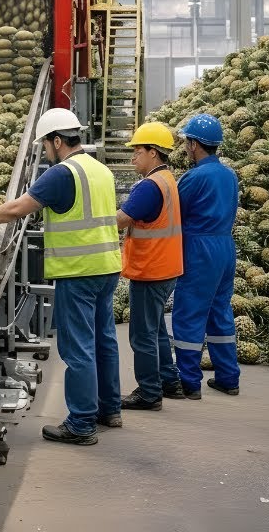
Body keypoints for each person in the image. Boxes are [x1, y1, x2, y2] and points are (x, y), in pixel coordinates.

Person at [0, 108, 122, 445]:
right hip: (107, 267)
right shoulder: (100, 169)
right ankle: (109, 410)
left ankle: (81, 423)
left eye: (46, 144)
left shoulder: (63, 173)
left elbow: (19, 208)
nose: (46, 151)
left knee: (78, 349)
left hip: (78, 273)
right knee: (104, 342)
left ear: (57, 141)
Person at [116, 122, 185, 411]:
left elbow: (120, 220)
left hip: (150, 269)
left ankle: (148, 393)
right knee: (156, 330)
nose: (133, 157)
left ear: (153, 153)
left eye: (137, 151)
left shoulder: (149, 187)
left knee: (142, 335)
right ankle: (169, 382)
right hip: (166, 266)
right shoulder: (168, 179)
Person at [172, 113, 240, 398]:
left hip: (200, 248)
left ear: (194, 144)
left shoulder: (193, 177)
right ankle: (228, 377)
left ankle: (189, 381)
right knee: (220, 311)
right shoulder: (229, 175)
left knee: (190, 312)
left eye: (187, 142)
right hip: (225, 246)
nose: (185, 147)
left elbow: (175, 214)